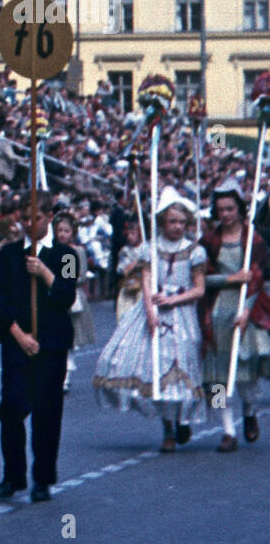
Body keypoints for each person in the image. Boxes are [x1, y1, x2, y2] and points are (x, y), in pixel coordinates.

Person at [93, 189, 207, 451]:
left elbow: (199, 289)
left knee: (183, 368)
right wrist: (150, 309)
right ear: (163, 222)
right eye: (172, 222)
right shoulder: (150, 249)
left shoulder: (194, 251)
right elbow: (146, 280)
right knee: (157, 367)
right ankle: (167, 428)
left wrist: (175, 300)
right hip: (156, 312)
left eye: (181, 222)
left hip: (182, 314)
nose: (177, 227)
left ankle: (182, 418)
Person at [0, 191, 79, 502]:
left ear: (49, 217)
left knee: (47, 412)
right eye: (25, 218)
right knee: (11, 408)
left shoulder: (66, 255)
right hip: (18, 342)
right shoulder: (8, 254)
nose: (29, 224)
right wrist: (16, 333)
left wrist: (43, 272)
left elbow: (67, 296)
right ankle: (13, 475)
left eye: (36, 218)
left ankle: (43, 478)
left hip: (51, 343)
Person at [200, 179, 268, 452]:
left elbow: (259, 275)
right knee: (216, 375)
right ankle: (226, 428)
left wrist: (247, 309)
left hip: (245, 308)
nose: (226, 215)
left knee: (245, 372)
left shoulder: (254, 237)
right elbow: (201, 278)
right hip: (217, 310)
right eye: (221, 210)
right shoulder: (209, 240)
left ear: (239, 208)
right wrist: (230, 278)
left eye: (230, 209)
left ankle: (249, 411)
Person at [55, 212, 95, 393]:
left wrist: (60, 280)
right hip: (55, 294)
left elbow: (76, 277)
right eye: (59, 231)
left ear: (72, 233)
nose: (62, 234)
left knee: (70, 339)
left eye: (66, 231)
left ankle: (65, 376)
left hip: (71, 297)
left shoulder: (75, 252)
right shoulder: (53, 250)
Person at [115, 218, 148, 319]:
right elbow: (123, 269)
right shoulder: (125, 250)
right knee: (124, 315)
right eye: (128, 234)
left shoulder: (147, 249)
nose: (129, 237)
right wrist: (134, 264)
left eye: (133, 233)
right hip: (129, 286)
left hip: (144, 287)